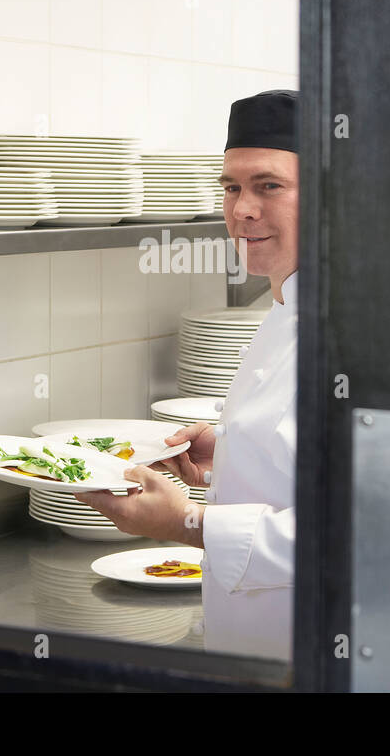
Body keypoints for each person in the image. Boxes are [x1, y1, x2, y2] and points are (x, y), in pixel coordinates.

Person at [75, 89, 298, 661]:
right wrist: (228, 449)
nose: (242, 209)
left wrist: (189, 524)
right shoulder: (284, 309)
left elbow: (366, 532)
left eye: (268, 186)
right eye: (231, 187)